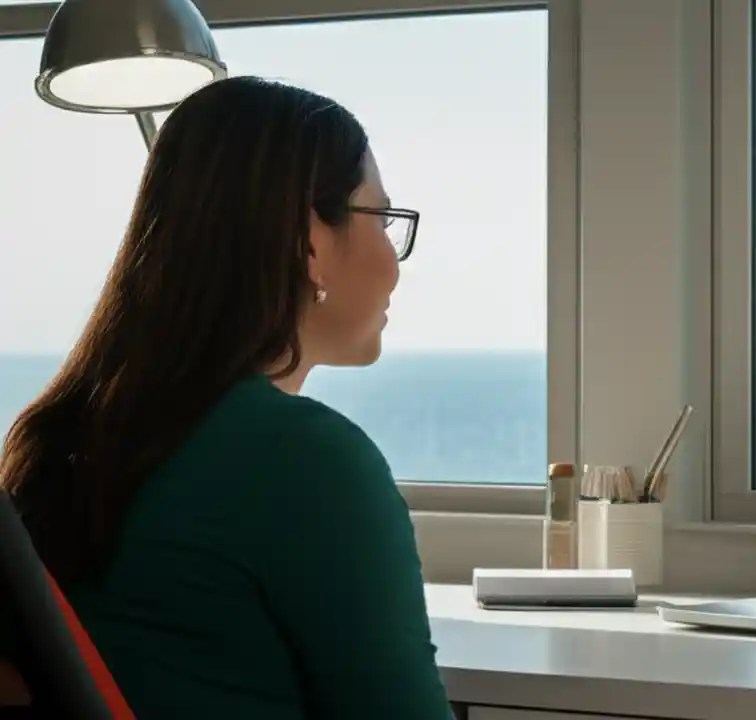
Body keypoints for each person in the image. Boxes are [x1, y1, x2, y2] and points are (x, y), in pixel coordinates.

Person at [0, 77, 453, 718]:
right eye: (380, 218)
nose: (394, 259)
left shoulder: (62, 437)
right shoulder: (310, 464)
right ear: (310, 243)